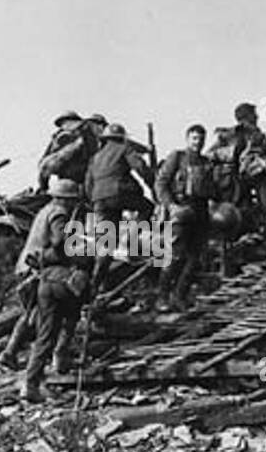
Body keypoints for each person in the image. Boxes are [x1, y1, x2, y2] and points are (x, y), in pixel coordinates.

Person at [19, 176, 92, 403]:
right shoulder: (59, 214)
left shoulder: (44, 211)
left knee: (44, 334)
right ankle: (58, 359)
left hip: (43, 279)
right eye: (72, 201)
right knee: (74, 307)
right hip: (56, 279)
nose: (73, 205)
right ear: (66, 200)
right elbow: (61, 242)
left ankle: (33, 381)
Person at [85, 122, 156, 286]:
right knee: (148, 207)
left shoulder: (95, 157)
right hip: (120, 194)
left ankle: (95, 285)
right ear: (121, 138)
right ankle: (132, 239)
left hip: (99, 200)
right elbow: (140, 167)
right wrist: (153, 183)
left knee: (106, 245)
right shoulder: (124, 148)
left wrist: (94, 201)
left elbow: (88, 184)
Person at [154, 123, 216, 312]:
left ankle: (180, 295)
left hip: (201, 212)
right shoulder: (177, 157)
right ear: (187, 139)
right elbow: (161, 183)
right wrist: (171, 205)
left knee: (195, 258)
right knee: (174, 255)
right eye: (195, 138)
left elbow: (213, 189)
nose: (198, 142)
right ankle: (162, 297)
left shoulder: (206, 162)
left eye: (201, 139)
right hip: (181, 210)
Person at [37, 110, 99, 190]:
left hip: (83, 179)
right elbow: (44, 165)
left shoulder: (87, 134)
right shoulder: (59, 138)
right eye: (63, 124)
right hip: (70, 181)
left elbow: (44, 166)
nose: (66, 126)